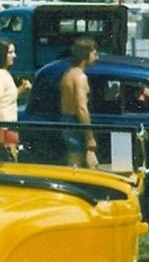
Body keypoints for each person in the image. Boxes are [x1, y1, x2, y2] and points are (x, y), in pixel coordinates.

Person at [0, 38, 31, 162]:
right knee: (12, 157)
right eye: (10, 52)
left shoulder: (4, 73)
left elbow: (8, 98)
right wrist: (3, 127)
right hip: (3, 123)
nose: (14, 55)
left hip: (5, 122)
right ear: (1, 54)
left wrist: (22, 88)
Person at [59, 37, 98, 168]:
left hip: (66, 119)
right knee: (76, 161)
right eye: (93, 53)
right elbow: (81, 108)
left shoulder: (68, 74)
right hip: (76, 122)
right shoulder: (80, 77)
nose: (96, 57)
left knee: (74, 157)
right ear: (85, 54)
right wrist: (90, 138)